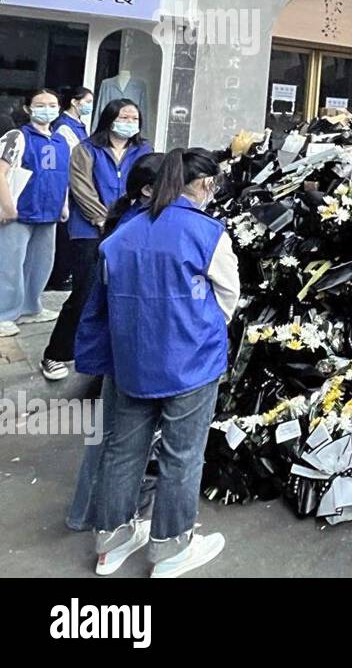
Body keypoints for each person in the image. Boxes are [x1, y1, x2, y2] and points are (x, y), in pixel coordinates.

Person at [87, 147, 237, 577]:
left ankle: (111, 541)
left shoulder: (123, 233)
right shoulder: (206, 231)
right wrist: (200, 327)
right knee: (182, 455)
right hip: (190, 360)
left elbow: (106, 294)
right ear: (204, 185)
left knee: (122, 450)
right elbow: (228, 295)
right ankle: (170, 550)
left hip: (132, 358)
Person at [65, 152, 164, 535]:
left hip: (119, 345)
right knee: (115, 439)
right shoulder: (135, 229)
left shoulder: (131, 221)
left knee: (109, 435)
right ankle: (99, 517)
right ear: (148, 190)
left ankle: (87, 512)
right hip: (124, 346)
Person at [43, 100, 153, 380]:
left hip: (128, 229)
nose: (129, 121)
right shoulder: (87, 149)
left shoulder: (143, 150)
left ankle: (101, 356)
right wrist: (104, 219)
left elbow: (146, 186)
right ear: (109, 118)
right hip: (89, 231)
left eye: (133, 117)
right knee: (85, 292)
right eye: (123, 116)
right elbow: (81, 188)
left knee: (119, 294)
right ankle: (56, 353)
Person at [0, 89, 71, 347]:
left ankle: (31, 307)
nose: (47, 109)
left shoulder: (60, 141)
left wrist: (63, 206)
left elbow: (63, 176)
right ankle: (4, 313)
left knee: (40, 263)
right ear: (28, 109)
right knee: (9, 265)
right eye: (40, 105)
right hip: (19, 212)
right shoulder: (17, 136)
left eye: (52, 104)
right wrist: (7, 207)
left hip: (49, 211)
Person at [47, 87, 94, 291]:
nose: (89, 105)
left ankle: (63, 273)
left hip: (77, 184)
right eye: (87, 101)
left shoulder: (78, 125)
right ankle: (59, 275)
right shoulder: (64, 126)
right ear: (75, 102)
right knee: (64, 235)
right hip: (68, 185)